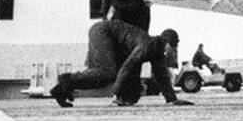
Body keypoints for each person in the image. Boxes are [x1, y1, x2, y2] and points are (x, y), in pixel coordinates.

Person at [50, 21, 190, 107]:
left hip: (105, 33)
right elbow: (128, 66)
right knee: (107, 72)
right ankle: (66, 80)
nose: (173, 51)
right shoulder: (148, 45)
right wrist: (117, 93)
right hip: (102, 32)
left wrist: (172, 99)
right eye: (173, 47)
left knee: (103, 78)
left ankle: (60, 89)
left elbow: (161, 76)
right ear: (168, 44)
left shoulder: (157, 51)